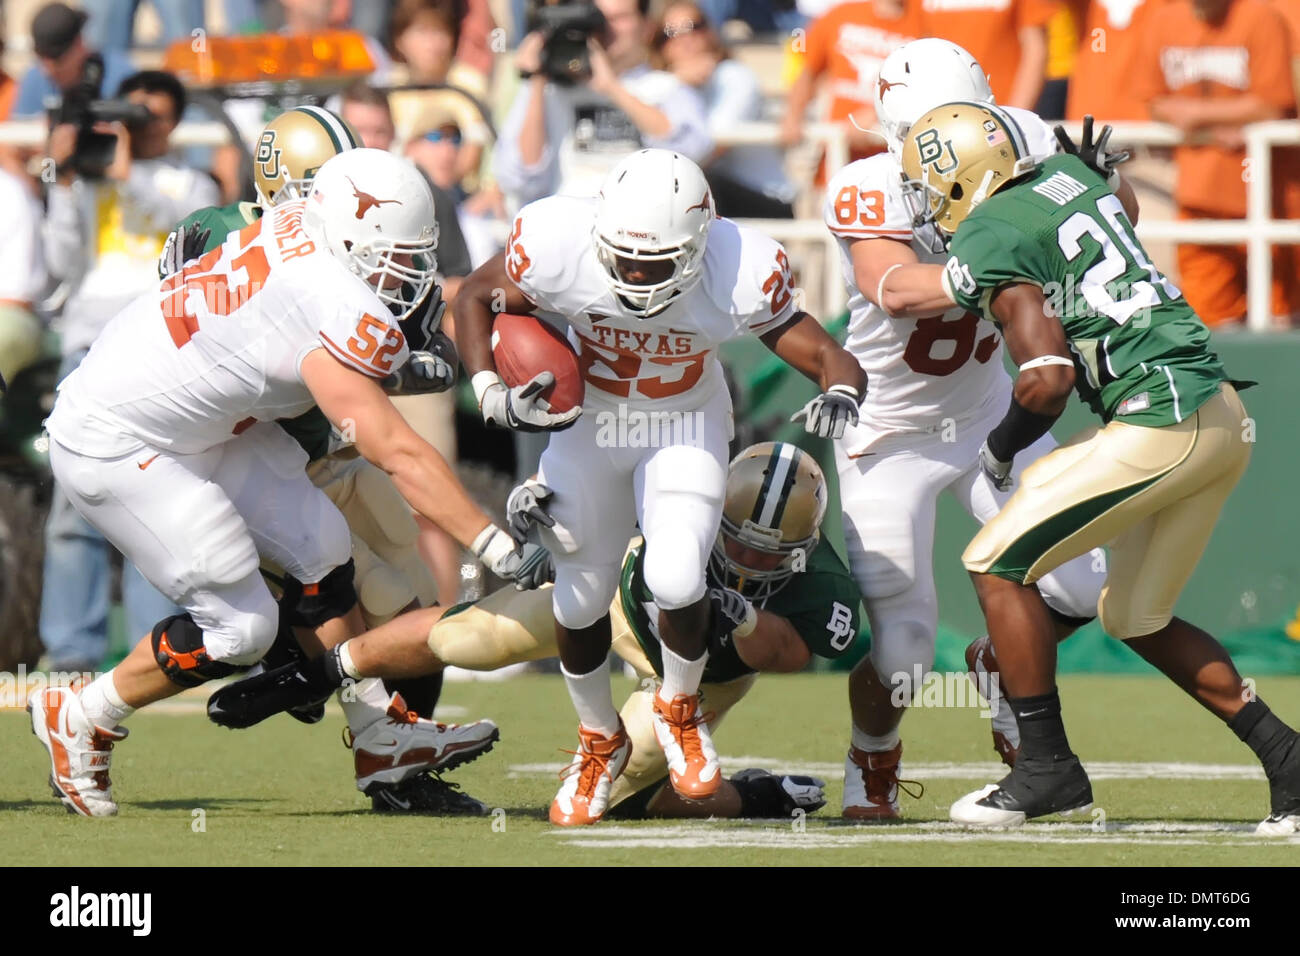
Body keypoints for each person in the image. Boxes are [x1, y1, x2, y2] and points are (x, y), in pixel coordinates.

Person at [28, 148, 551, 817]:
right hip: (117, 439)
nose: (409, 276)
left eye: (414, 257)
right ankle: (79, 712)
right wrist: (496, 546)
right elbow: (393, 448)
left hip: (199, 424)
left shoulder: (307, 222)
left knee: (322, 541)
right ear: (349, 240)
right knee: (241, 628)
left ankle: (377, 734)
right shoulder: (325, 294)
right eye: (393, 259)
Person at [883, 101, 1299, 835]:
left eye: (926, 185)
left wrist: (1000, 449)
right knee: (1134, 614)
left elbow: (1045, 378)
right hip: (1222, 412)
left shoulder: (991, 231)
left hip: (1159, 417)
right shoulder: (1070, 176)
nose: (924, 202)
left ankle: (1047, 766)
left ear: (959, 181)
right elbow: (1118, 210)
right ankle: (1291, 763)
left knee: (993, 557)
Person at [456, 148, 866, 825]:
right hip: (591, 423)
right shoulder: (556, 243)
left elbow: (822, 350)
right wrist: (489, 390)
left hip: (683, 422)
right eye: (624, 257)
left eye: (656, 262)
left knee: (677, 577)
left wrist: (844, 388)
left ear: (700, 243)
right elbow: (475, 296)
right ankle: (599, 736)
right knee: (580, 596)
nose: (637, 275)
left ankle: (678, 709)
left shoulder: (741, 269)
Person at [208, 442, 861, 822]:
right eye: (735, 545)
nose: (746, 564)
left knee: (600, 810)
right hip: (619, 602)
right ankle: (326, 669)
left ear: (805, 550)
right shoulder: (679, 486)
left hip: (701, 678)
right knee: (468, 639)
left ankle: (752, 795)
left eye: (766, 557)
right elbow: (598, 472)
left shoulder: (826, 588)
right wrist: (561, 520)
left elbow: (790, 653)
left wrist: (740, 613)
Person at [162, 104, 486, 814]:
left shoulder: (338, 241)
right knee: (310, 609)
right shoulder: (220, 236)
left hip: (328, 451)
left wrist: (409, 353)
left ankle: (393, 750)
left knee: (414, 611)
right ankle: (291, 680)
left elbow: (399, 332)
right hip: (254, 464)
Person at [822, 38, 1113, 820]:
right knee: (907, 653)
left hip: (991, 417)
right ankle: (872, 758)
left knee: (1086, 588)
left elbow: (1114, 227)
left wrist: (1104, 188)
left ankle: (997, 664)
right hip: (890, 434)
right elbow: (888, 284)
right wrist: (976, 265)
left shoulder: (1025, 137)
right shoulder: (871, 185)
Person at [39, 69, 218, 673]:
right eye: (130, 112)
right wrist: (63, 178)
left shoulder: (189, 179)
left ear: (173, 122)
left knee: (157, 497)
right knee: (74, 500)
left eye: (153, 115)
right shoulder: (89, 177)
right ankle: (70, 650)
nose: (139, 126)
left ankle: (155, 648)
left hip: (160, 347)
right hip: (88, 342)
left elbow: (188, 237)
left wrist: (128, 180)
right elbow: (60, 263)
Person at [339, 82, 473, 606]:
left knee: (429, 502)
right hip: (338, 363)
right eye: (359, 129)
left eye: (378, 130)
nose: (369, 139)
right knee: (336, 501)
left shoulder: (420, 191)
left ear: (393, 134)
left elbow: (458, 283)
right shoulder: (323, 193)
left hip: (410, 360)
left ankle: (448, 628)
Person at [1134, 0, 1299, 327]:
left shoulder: (1261, 17)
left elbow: (1273, 104)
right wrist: (1220, 124)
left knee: (1280, 319)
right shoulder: (1163, 20)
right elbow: (1154, 102)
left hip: (1271, 198)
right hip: (1199, 198)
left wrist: (1197, 116)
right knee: (1209, 321)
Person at [494, 0, 713, 206]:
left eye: (621, 18)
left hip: (640, 230)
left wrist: (612, 88)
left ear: (647, 27)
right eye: (600, 17)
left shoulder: (667, 88)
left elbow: (691, 153)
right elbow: (519, 176)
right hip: (569, 223)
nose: (607, 28)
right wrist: (538, 77)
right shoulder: (548, 90)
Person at [651, 2, 795, 217]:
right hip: (716, 198)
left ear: (710, 33)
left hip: (764, 199)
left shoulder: (736, 76)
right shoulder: (662, 85)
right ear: (659, 44)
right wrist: (678, 82)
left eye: (693, 27)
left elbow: (703, 150)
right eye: (670, 32)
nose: (685, 40)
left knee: (693, 184)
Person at [780, 0, 917, 165]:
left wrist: (878, 114)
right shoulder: (841, 14)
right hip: (837, 155)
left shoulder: (925, 21)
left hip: (891, 163)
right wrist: (793, 114)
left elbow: (931, 88)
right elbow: (808, 70)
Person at [917, 0, 1057, 110]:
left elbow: (1035, 49)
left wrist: (1014, 116)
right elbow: (915, 46)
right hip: (939, 110)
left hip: (1001, 108)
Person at [12, 2, 136, 120]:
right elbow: (19, 134)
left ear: (79, 46)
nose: (48, 71)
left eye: (57, 61)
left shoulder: (119, 76)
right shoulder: (34, 79)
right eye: (42, 60)